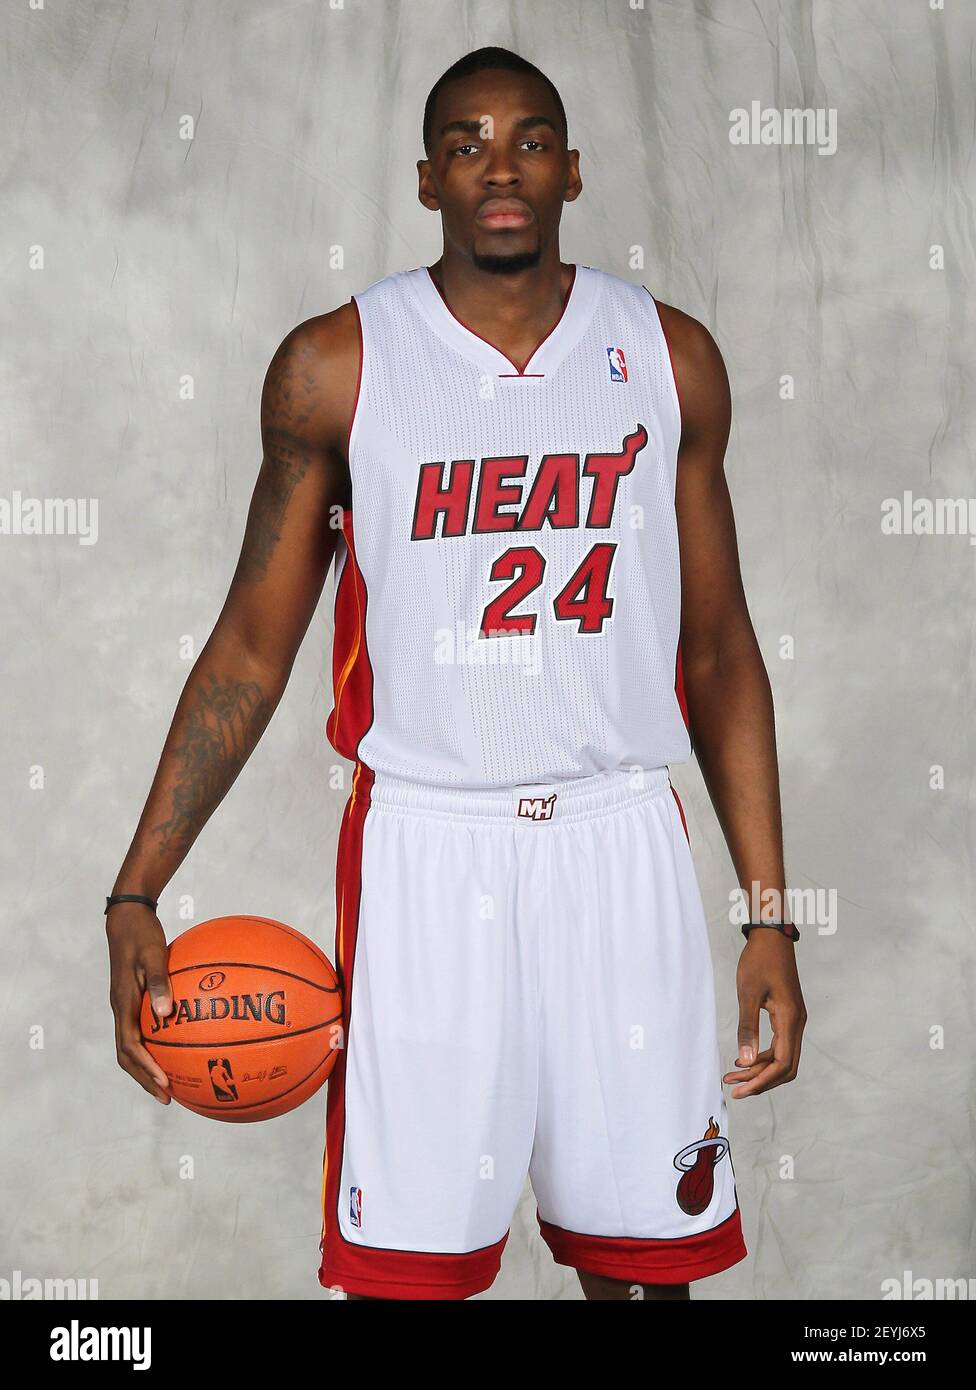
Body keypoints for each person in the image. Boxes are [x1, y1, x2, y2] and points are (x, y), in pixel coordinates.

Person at [106, 45, 806, 1302]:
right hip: (431, 853)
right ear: (426, 177)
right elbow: (252, 649)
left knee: (649, 1274)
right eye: (468, 143)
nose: (500, 166)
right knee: (407, 1281)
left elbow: (718, 651)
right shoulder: (337, 366)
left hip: (618, 843)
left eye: (531, 140)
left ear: (573, 172)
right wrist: (136, 889)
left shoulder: (668, 358)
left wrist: (767, 914)